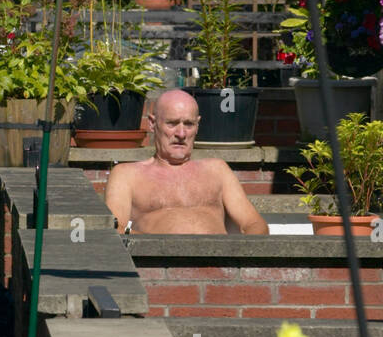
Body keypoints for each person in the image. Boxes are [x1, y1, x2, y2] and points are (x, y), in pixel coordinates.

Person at [105, 89, 269, 235]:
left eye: (189, 124)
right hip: (157, 266)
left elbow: (255, 224)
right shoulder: (127, 175)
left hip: (219, 263)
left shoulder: (217, 170)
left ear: (198, 125)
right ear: (152, 123)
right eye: (172, 123)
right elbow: (114, 231)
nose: (181, 133)